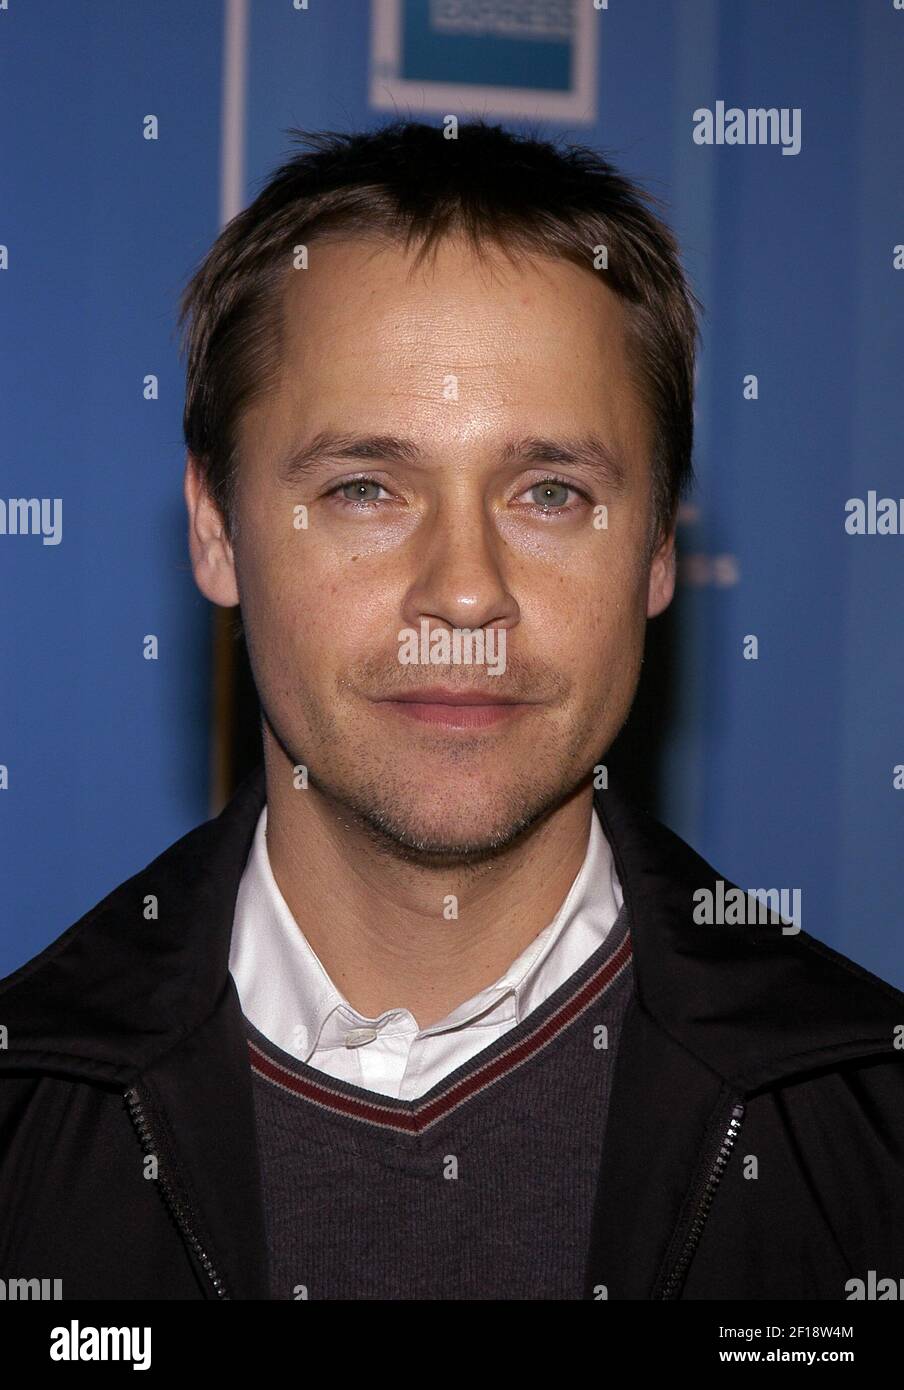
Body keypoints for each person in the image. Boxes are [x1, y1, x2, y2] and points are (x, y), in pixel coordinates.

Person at [1, 121, 902, 1301]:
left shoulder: (866, 1136)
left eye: (549, 491)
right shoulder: (26, 1131)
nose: (465, 589)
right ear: (216, 529)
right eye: (365, 487)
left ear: (655, 553)